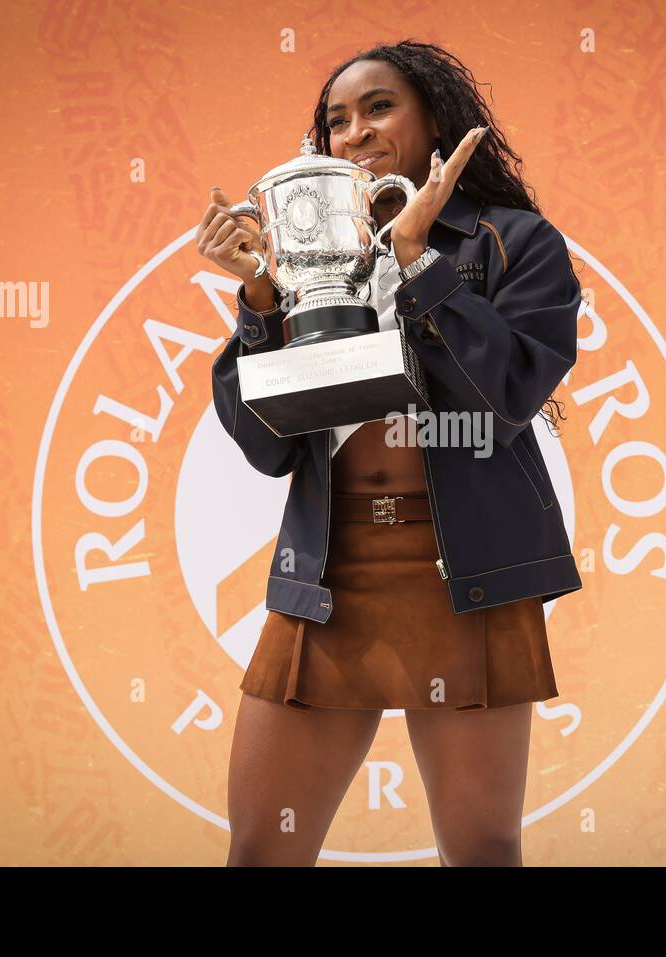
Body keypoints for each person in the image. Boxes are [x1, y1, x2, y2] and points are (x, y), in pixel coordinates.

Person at [198, 39, 583, 866]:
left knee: (480, 849)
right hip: (328, 578)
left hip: (468, 580)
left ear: (433, 120)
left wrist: (418, 260)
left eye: (379, 107)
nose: (356, 132)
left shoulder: (513, 242)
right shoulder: (301, 266)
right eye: (337, 122)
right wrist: (262, 301)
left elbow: (507, 398)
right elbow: (267, 449)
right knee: (262, 847)